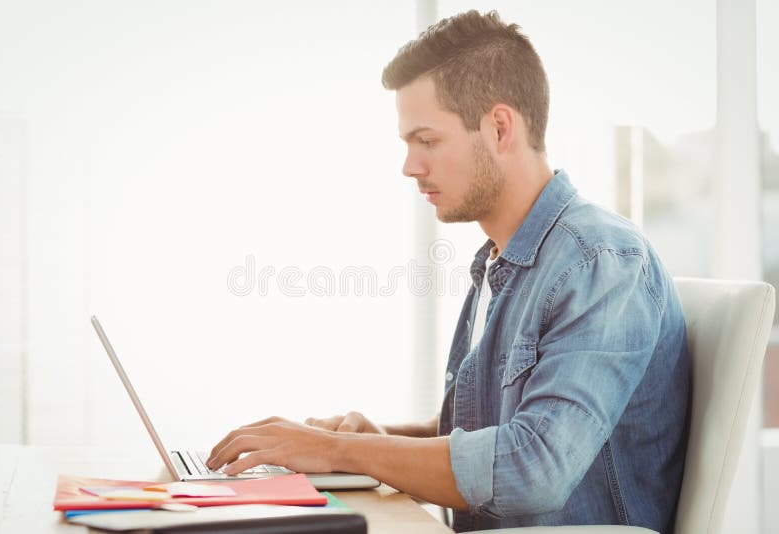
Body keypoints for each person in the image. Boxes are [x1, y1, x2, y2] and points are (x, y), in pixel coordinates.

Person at [206, 10, 689, 533]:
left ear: (499, 127)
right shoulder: (502, 262)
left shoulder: (599, 260)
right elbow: (488, 437)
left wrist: (339, 449)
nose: (409, 166)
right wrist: (367, 444)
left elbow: (534, 467)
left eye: (427, 140)